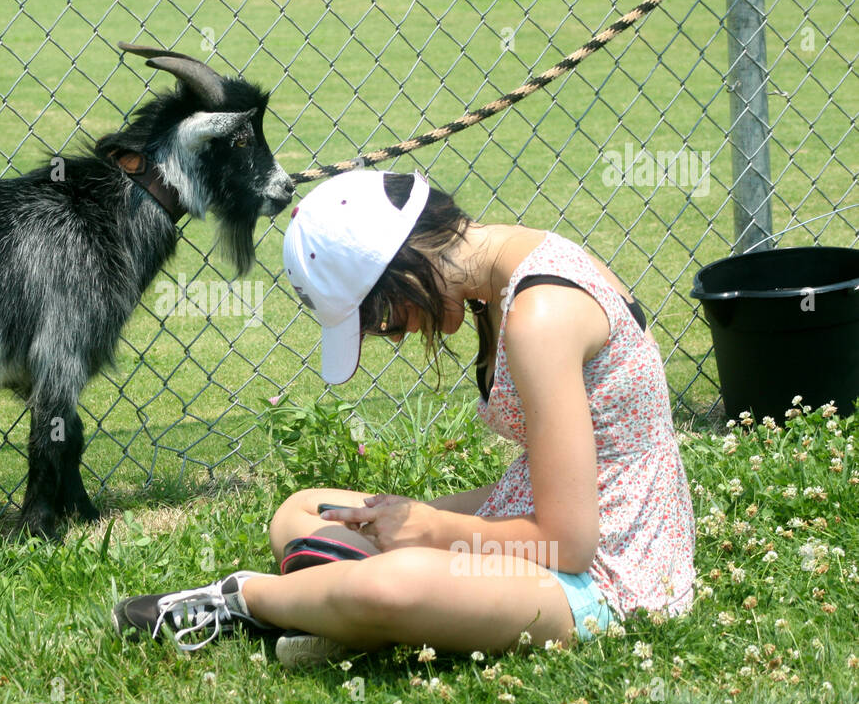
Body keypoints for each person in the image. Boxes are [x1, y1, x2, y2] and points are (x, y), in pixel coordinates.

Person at [113, 169, 696, 666]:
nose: (394, 334)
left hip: (605, 574)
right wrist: (416, 523)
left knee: (393, 581)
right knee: (303, 511)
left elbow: (567, 544)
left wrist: (431, 530)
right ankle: (338, 608)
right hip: (536, 518)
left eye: (381, 318)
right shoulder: (512, 272)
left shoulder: (539, 318)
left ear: (402, 266)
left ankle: (247, 601)